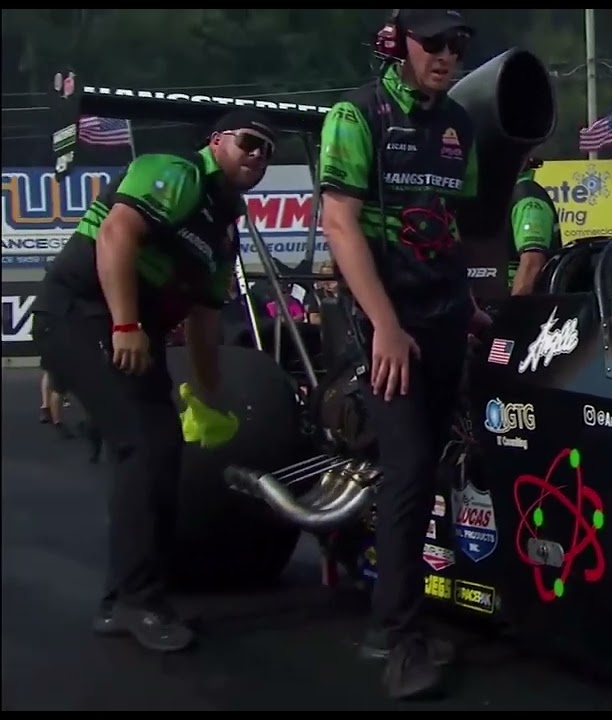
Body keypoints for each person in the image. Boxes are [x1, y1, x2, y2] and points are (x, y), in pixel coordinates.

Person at [31, 108, 274, 653]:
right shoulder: (176, 171)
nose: (258, 155)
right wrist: (124, 325)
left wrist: (210, 396)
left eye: (267, 151)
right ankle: (132, 601)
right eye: (249, 141)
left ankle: (133, 593)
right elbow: (116, 233)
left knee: (160, 447)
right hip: (83, 311)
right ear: (218, 141)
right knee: (144, 444)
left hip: (130, 323)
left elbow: (205, 319)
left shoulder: (222, 228)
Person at [318, 8, 489, 700]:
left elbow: (454, 226)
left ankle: (392, 612)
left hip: (443, 313)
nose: (447, 56)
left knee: (435, 461)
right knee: (410, 467)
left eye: (458, 44)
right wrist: (385, 324)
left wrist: (470, 303)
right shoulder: (357, 115)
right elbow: (339, 223)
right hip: (385, 319)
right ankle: (396, 636)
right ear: (396, 44)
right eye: (433, 43)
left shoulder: (458, 126)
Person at [507, 156, 561, 296]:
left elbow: (532, 264)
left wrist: (513, 307)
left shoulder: (526, 194)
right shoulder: (502, 197)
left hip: (514, 303)